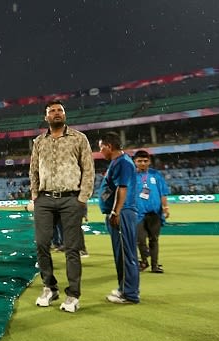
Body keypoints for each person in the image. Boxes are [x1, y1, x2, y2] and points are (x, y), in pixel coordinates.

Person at [29, 100, 95, 313]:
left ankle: (73, 294)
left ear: (65, 114)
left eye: (60, 110)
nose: (56, 113)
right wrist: (35, 196)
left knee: (72, 248)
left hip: (70, 199)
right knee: (41, 244)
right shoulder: (39, 141)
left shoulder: (79, 138)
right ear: (46, 117)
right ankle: (49, 287)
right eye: (52, 111)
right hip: (44, 200)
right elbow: (33, 171)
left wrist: (82, 198)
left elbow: (88, 168)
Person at [98, 132, 140, 304]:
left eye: (101, 147)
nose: (100, 151)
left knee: (125, 254)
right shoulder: (119, 162)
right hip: (120, 212)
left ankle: (129, 294)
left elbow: (122, 189)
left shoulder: (122, 162)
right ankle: (124, 288)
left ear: (109, 146)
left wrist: (115, 212)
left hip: (122, 213)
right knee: (121, 254)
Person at [133, 149, 170, 273]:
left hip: (155, 213)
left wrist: (165, 208)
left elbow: (163, 192)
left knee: (154, 240)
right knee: (140, 239)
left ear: (149, 162)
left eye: (145, 161)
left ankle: (154, 265)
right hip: (138, 213)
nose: (142, 163)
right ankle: (144, 260)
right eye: (139, 161)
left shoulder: (156, 175)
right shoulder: (131, 176)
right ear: (135, 162)